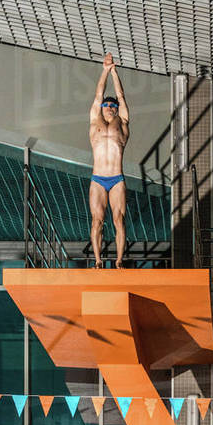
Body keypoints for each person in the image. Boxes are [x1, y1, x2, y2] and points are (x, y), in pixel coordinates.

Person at [89, 54, 129, 268]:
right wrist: (105, 70)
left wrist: (115, 72)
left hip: (116, 179)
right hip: (97, 179)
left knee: (118, 220)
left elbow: (121, 98)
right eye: (107, 105)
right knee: (97, 221)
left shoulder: (122, 123)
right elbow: (97, 96)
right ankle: (97, 261)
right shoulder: (95, 120)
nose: (110, 107)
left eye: (113, 106)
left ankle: (119, 260)